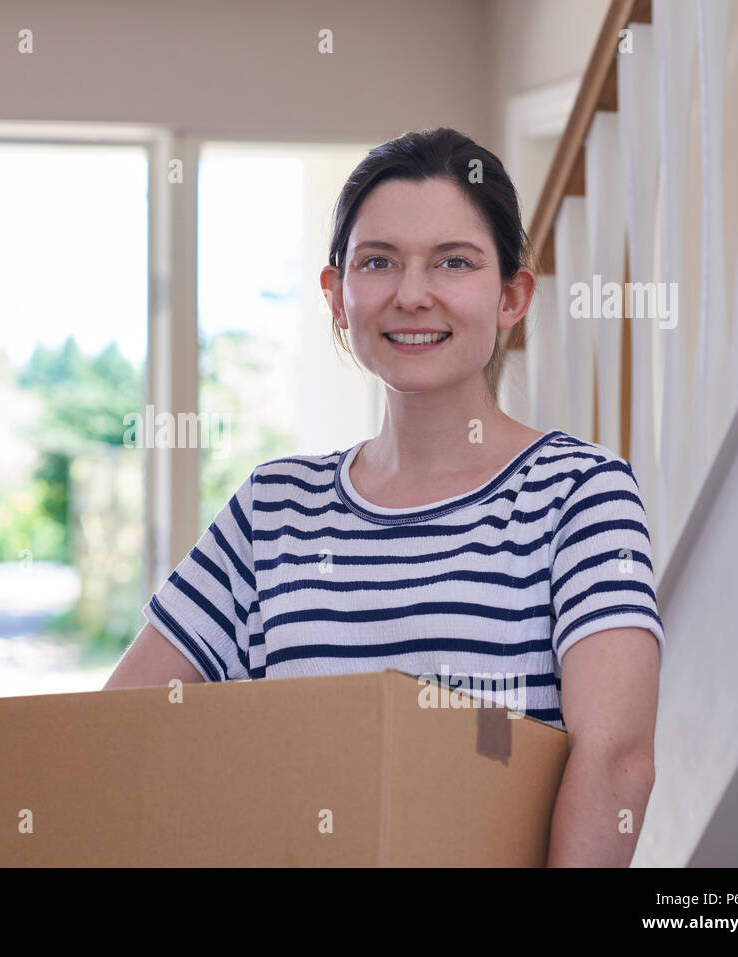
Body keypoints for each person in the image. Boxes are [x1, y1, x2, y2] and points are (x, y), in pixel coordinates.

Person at [104, 127, 662, 867]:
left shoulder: (579, 496)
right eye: (379, 262)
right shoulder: (272, 509)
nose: (411, 294)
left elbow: (619, 759)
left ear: (511, 295)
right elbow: (115, 727)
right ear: (338, 295)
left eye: (453, 262)